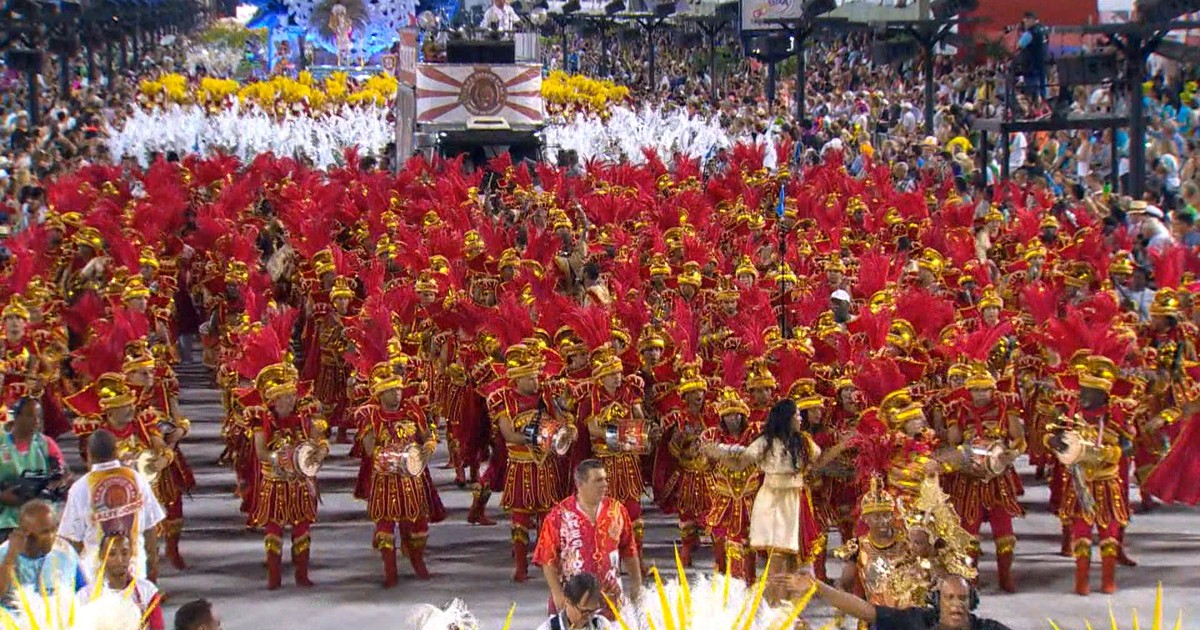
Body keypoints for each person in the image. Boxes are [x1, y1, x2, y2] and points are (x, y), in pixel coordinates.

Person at [533, 459, 642, 617]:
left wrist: (636, 583)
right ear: (580, 484)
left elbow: (629, 549)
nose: (604, 484)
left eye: (605, 479)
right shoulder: (559, 515)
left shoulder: (617, 510)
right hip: (574, 603)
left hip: (611, 601)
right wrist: (557, 594)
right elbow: (546, 559)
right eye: (598, 480)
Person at [57, 429, 165, 583]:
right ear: (117, 452)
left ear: (89, 455)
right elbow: (151, 527)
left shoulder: (80, 488)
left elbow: (71, 539)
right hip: (134, 571)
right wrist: (152, 561)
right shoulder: (136, 478)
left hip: (95, 577)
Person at [797, 573, 1014, 630]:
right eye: (949, 597)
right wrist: (819, 587)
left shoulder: (989, 628)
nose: (956, 604)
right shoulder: (917, 621)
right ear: (938, 601)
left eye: (962, 598)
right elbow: (866, 612)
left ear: (971, 601)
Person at [0, 397, 69, 542]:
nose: (37, 421)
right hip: (7, 522)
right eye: (31, 416)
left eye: (39, 417)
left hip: (41, 521)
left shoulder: (46, 444)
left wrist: (52, 487)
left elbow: (64, 476)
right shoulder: (2, 443)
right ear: (17, 416)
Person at [0, 500, 87, 611]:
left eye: (54, 529)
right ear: (25, 532)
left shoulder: (65, 551)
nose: (52, 537)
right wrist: (11, 557)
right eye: (45, 532)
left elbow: (84, 592)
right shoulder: (4, 553)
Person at [77, 532, 164, 630]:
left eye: (124, 553)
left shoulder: (147, 592)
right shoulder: (85, 596)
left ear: (131, 555)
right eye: (112, 554)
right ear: (102, 556)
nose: (119, 560)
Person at [536, 572, 612, 630]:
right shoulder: (548, 628)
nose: (589, 617)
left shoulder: (601, 624)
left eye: (592, 611)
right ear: (568, 602)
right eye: (584, 612)